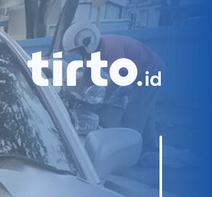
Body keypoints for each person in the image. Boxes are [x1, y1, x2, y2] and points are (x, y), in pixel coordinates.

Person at [62, 21, 163, 152]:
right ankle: (150, 146)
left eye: (80, 51)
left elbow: (118, 77)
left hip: (152, 71)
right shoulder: (90, 54)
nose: (80, 54)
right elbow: (87, 76)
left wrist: (104, 98)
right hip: (139, 71)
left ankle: (129, 153)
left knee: (133, 114)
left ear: (88, 42)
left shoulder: (111, 47)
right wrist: (85, 94)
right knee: (146, 108)